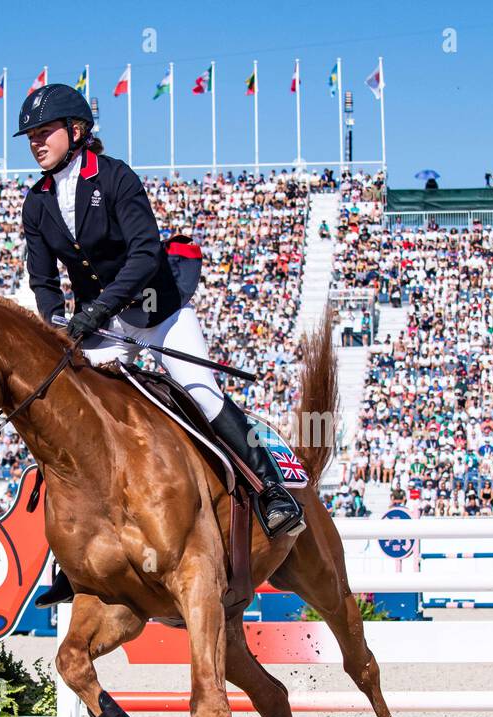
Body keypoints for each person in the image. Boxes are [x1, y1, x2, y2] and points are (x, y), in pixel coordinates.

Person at [16, 84, 304, 607]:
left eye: (44, 132)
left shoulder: (115, 176)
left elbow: (147, 251)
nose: (36, 142)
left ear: (76, 132)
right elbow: (42, 279)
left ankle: (273, 495)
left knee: (202, 393)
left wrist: (96, 312)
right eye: (31, 136)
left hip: (156, 311)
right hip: (98, 325)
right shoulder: (36, 202)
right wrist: (54, 319)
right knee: (71, 415)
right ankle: (74, 556)